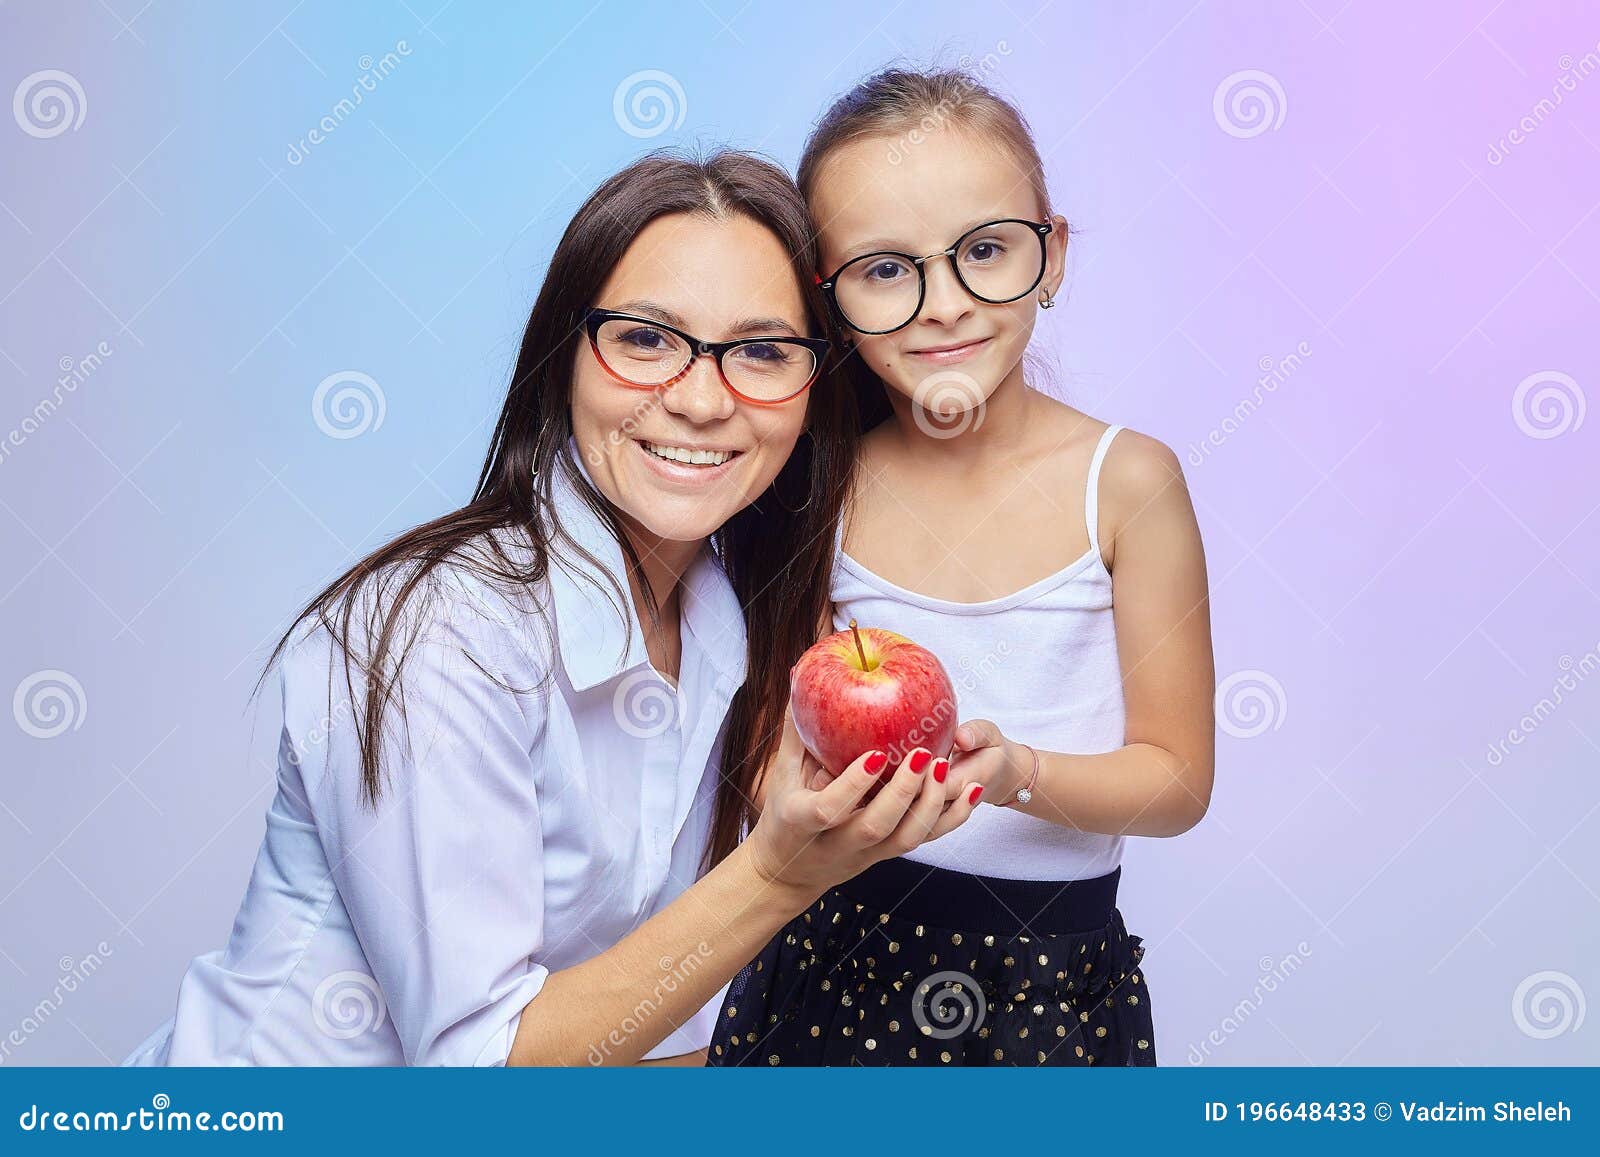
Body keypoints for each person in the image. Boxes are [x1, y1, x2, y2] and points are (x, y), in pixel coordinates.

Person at [123, 149, 979, 1067]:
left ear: (812, 393)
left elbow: (648, 1031)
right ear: (564, 356)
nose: (699, 399)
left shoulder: (736, 628)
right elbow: (480, 1068)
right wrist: (775, 874)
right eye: (645, 338)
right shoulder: (433, 632)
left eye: (763, 351)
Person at [710, 68, 1216, 1067]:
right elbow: (772, 737)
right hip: (832, 956)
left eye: (984, 251)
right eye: (885, 269)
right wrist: (802, 805)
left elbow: (1178, 779)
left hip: (1049, 983)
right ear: (828, 295)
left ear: (1051, 253)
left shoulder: (1128, 483)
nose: (942, 305)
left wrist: (1013, 773)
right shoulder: (819, 480)